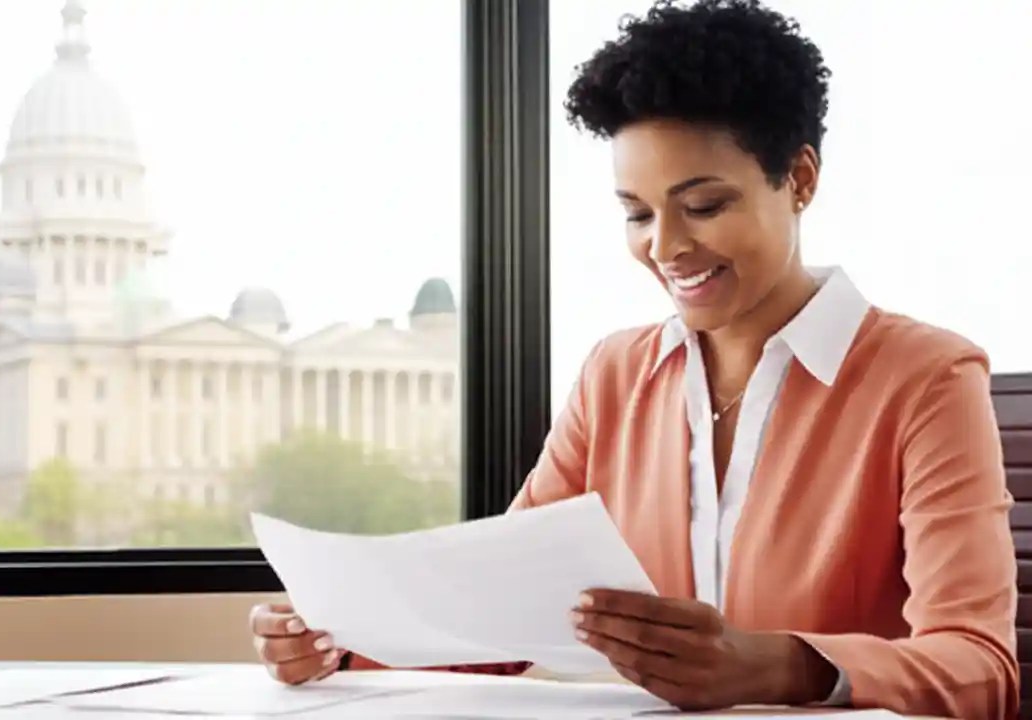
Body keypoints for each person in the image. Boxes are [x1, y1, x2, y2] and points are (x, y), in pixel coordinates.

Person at [247, 0, 1019, 717]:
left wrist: (778, 666)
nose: (666, 247)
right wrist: (340, 642)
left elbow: (980, 667)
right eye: (637, 214)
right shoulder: (614, 376)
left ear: (801, 180)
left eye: (705, 206)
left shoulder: (926, 378)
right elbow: (496, 617)